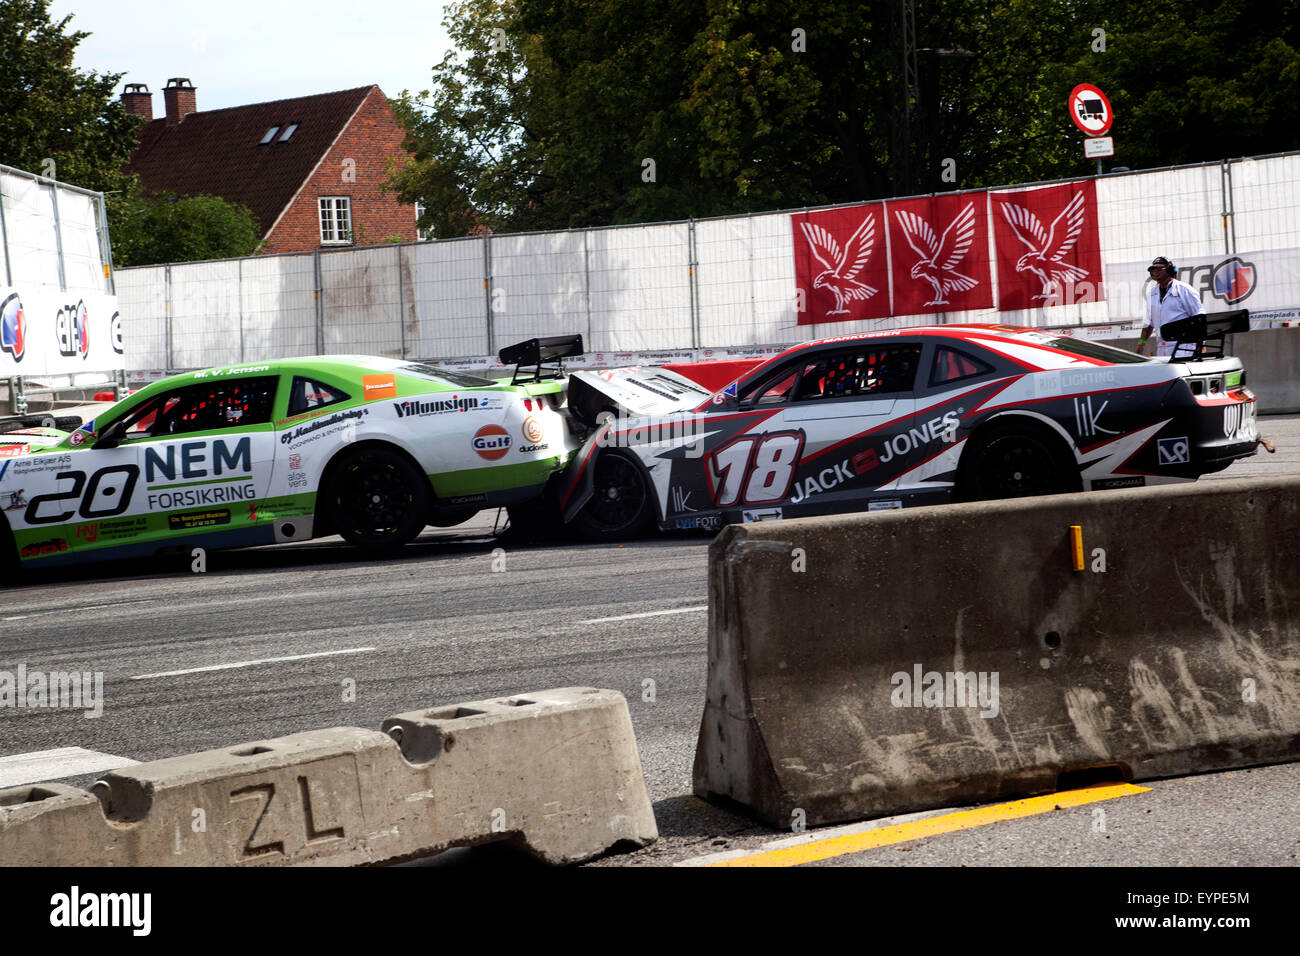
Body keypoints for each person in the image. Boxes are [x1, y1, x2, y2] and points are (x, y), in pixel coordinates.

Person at [1138, 256, 1202, 357]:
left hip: (1183, 347)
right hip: (1162, 349)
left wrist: (1201, 346)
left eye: (1159, 269)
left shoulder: (1185, 290)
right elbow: (1148, 325)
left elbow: (1199, 319)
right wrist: (1141, 344)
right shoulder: (1152, 294)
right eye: (1154, 270)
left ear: (1169, 270)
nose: (1156, 273)